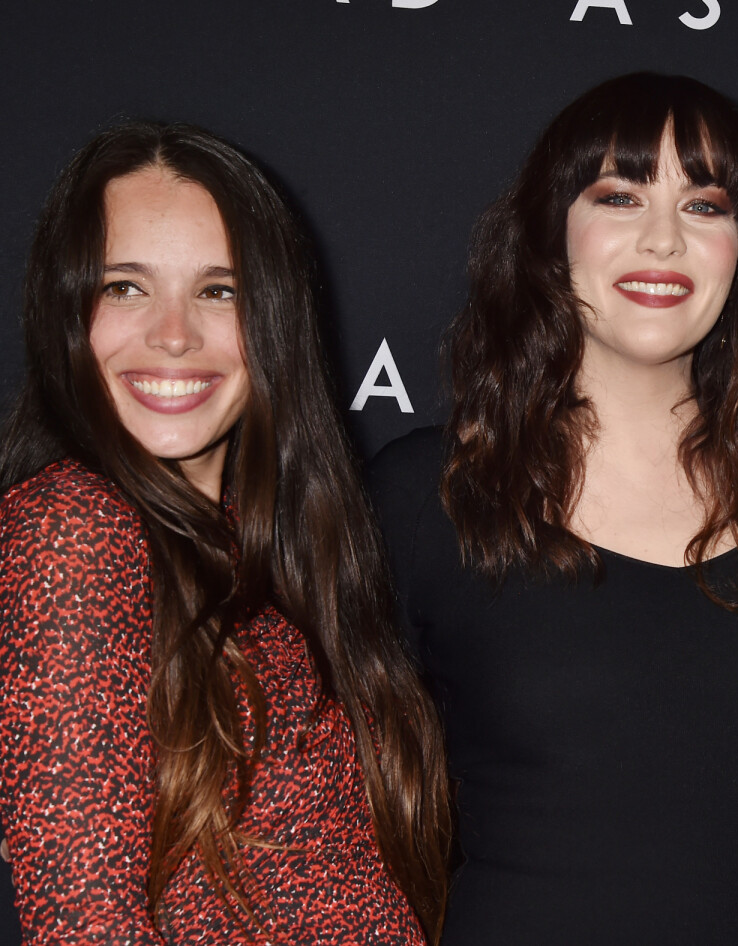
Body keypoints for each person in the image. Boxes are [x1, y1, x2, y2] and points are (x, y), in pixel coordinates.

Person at [369, 73, 738, 945]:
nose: (663, 239)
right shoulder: (431, 497)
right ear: (553, 232)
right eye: (620, 195)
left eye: (706, 206)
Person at [0, 122, 450, 944]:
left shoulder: (277, 540)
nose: (174, 333)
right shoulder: (72, 529)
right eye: (125, 288)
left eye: (220, 290)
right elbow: (84, 924)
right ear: (67, 312)